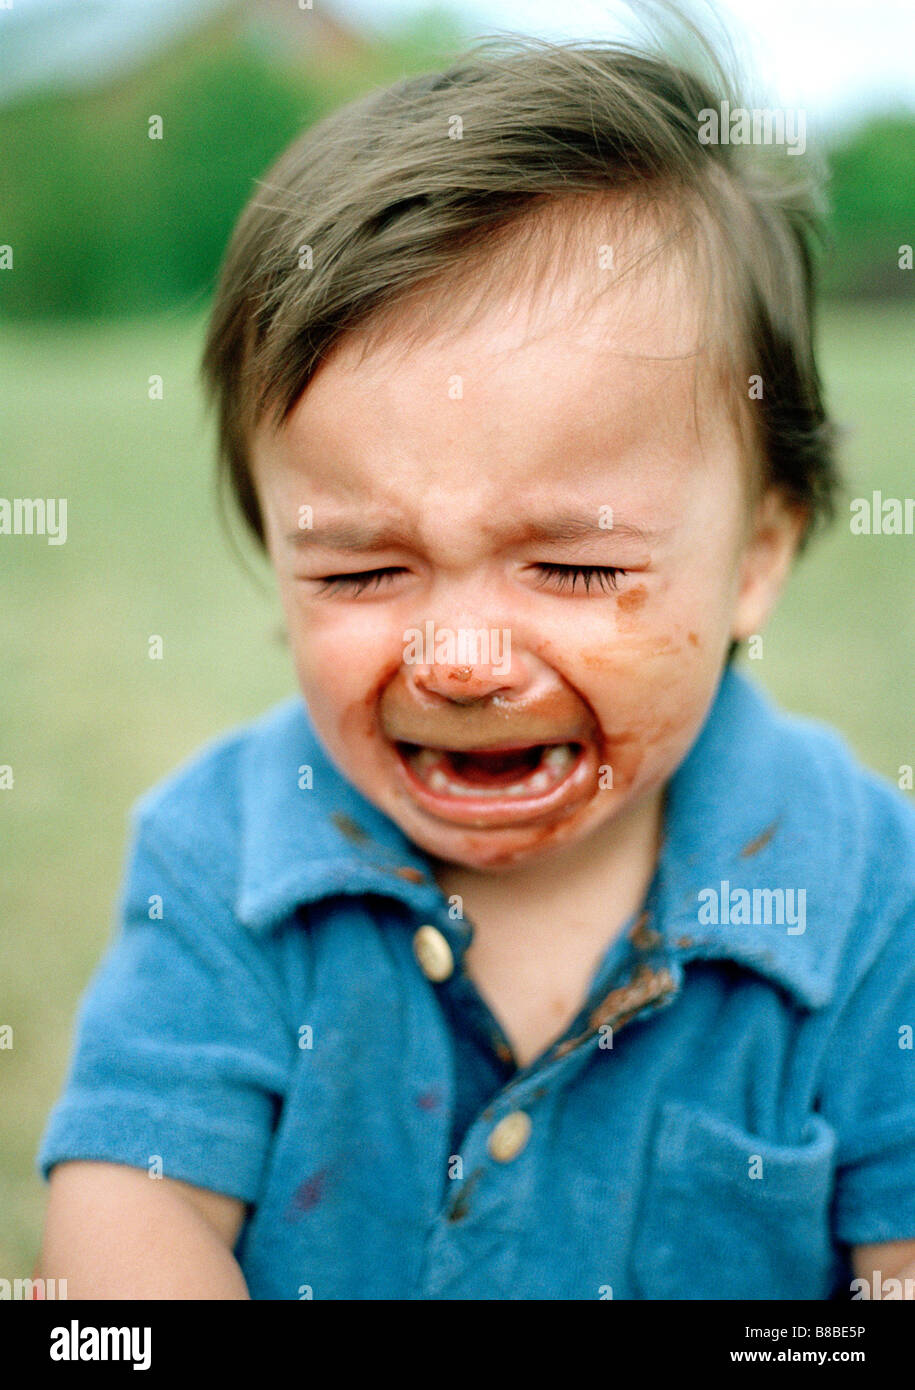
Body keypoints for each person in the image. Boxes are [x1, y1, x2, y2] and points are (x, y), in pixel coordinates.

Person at [34, 29, 915, 1300]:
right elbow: (130, 1222)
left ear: (757, 553)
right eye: (359, 572)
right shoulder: (220, 858)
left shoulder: (868, 891)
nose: (458, 659)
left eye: (571, 567)